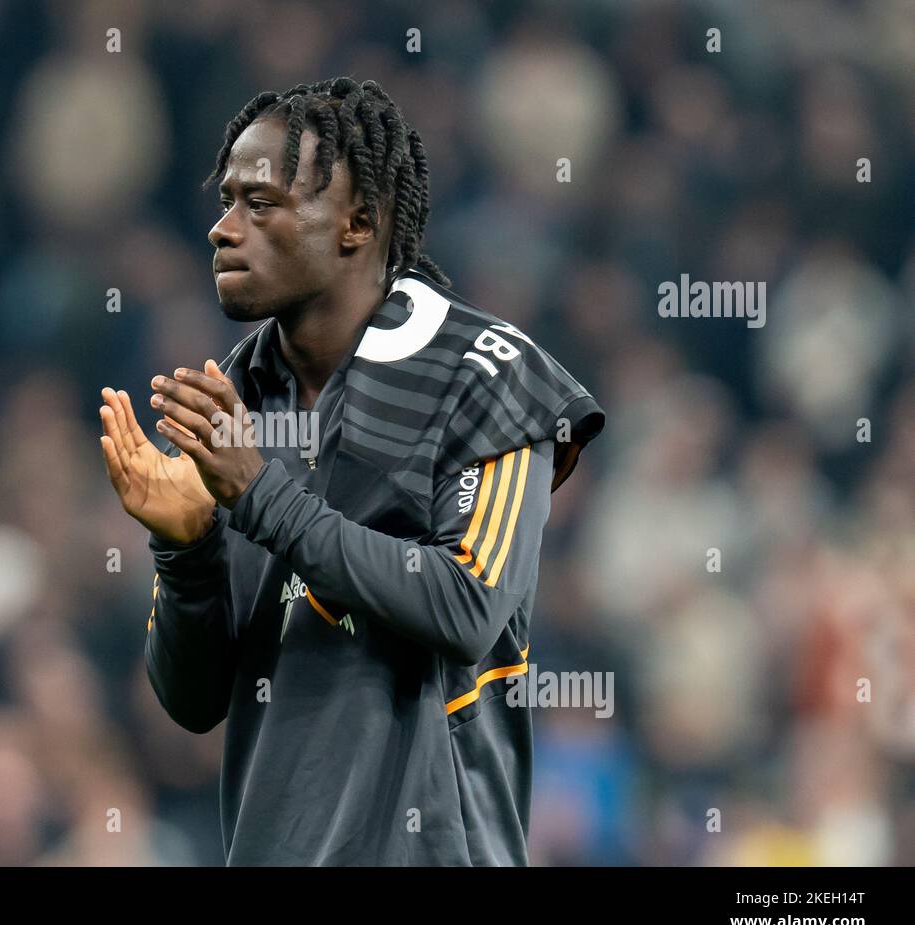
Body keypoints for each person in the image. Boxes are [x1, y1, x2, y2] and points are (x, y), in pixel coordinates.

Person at [99, 77, 605, 865]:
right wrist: (186, 551)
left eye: (258, 203)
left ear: (357, 223)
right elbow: (194, 704)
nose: (222, 229)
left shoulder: (487, 374)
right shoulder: (240, 402)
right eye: (226, 201)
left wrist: (262, 495)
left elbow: (467, 606)